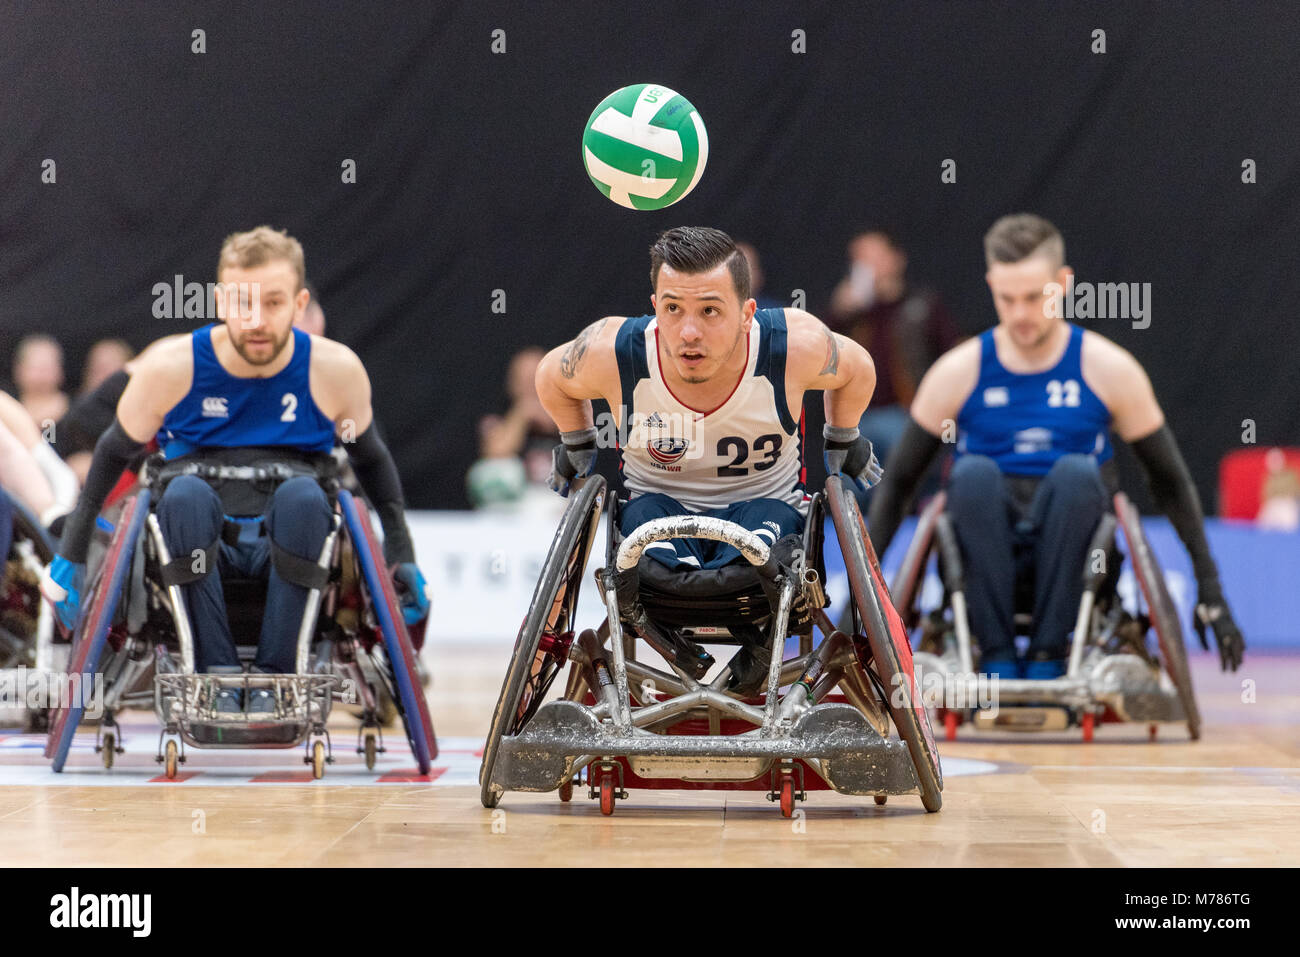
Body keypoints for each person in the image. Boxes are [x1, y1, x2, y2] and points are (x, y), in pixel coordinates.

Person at [40, 226, 428, 712]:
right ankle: (215, 673)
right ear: (221, 301)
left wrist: (401, 549)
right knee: (183, 494)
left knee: (306, 497)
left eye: (273, 302)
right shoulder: (170, 367)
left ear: (299, 303)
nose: (257, 320)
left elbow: (370, 459)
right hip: (194, 542)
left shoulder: (335, 370)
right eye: (243, 302)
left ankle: (276, 676)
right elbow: (111, 454)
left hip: (293, 538)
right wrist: (73, 553)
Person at [868, 213, 1245, 679]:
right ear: (991, 285)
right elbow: (898, 486)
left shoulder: (1110, 369)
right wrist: (856, 614)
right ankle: (997, 657)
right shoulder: (957, 372)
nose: (1021, 314)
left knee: (1075, 473)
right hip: (982, 553)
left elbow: (1170, 483)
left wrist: (1212, 592)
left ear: (1063, 283)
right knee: (972, 474)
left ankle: (1049, 656)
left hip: (1077, 554)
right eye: (1007, 299)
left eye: (1034, 297)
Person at [534, 226, 882, 689]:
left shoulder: (791, 346)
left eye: (711, 310)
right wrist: (577, 442)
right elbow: (549, 377)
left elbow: (858, 370)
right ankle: (669, 637)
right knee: (644, 525)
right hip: (656, 512)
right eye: (673, 308)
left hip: (764, 512)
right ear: (655, 305)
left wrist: (843, 437)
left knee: (765, 535)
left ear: (746, 314)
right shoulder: (614, 351)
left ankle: (759, 649)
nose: (689, 331)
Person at [827, 229, 961, 497]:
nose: (867, 266)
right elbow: (819, 358)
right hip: (854, 417)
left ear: (896, 259)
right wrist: (838, 314)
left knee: (908, 479)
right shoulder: (851, 311)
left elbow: (953, 353)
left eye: (874, 257)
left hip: (906, 413)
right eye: (859, 259)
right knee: (847, 486)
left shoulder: (921, 305)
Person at [466, 347, 560, 510]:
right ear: (512, 383)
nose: (531, 386)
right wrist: (523, 413)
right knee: (499, 470)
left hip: (554, 503)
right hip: (511, 506)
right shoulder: (500, 414)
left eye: (535, 378)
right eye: (524, 379)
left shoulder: (569, 411)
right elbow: (496, 454)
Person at [12, 334, 70, 427]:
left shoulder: (75, 413)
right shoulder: (6, 409)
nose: (41, 376)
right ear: (19, 370)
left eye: (47, 368)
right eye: (35, 368)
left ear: (60, 371)